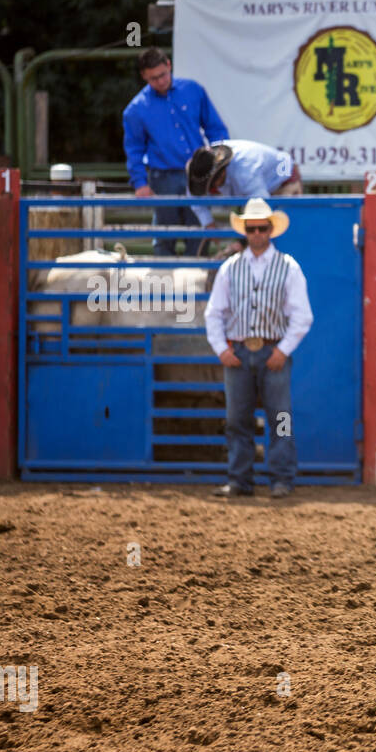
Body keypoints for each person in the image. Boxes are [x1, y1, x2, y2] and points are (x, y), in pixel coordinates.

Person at [204, 199, 313, 498]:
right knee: (238, 418)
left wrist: (283, 350)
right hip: (238, 351)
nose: (256, 233)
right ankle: (240, 479)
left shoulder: (288, 267)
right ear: (246, 231)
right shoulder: (230, 268)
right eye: (251, 228)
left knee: (280, 418)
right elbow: (214, 312)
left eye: (261, 228)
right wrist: (221, 349)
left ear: (270, 230)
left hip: (272, 350)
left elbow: (302, 315)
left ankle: (281, 479)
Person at [122, 47, 229, 256]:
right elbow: (134, 148)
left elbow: (215, 128)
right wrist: (140, 183)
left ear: (169, 65)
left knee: (199, 231)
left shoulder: (194, 90)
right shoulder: (136, 109)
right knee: (164, 233)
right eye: (154, 78)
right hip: (163, 176)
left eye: (163, 74)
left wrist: (219, 165)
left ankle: (196, 281)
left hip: (198, 174)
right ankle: (164, 284)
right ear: (144, 76)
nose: (161, 81)